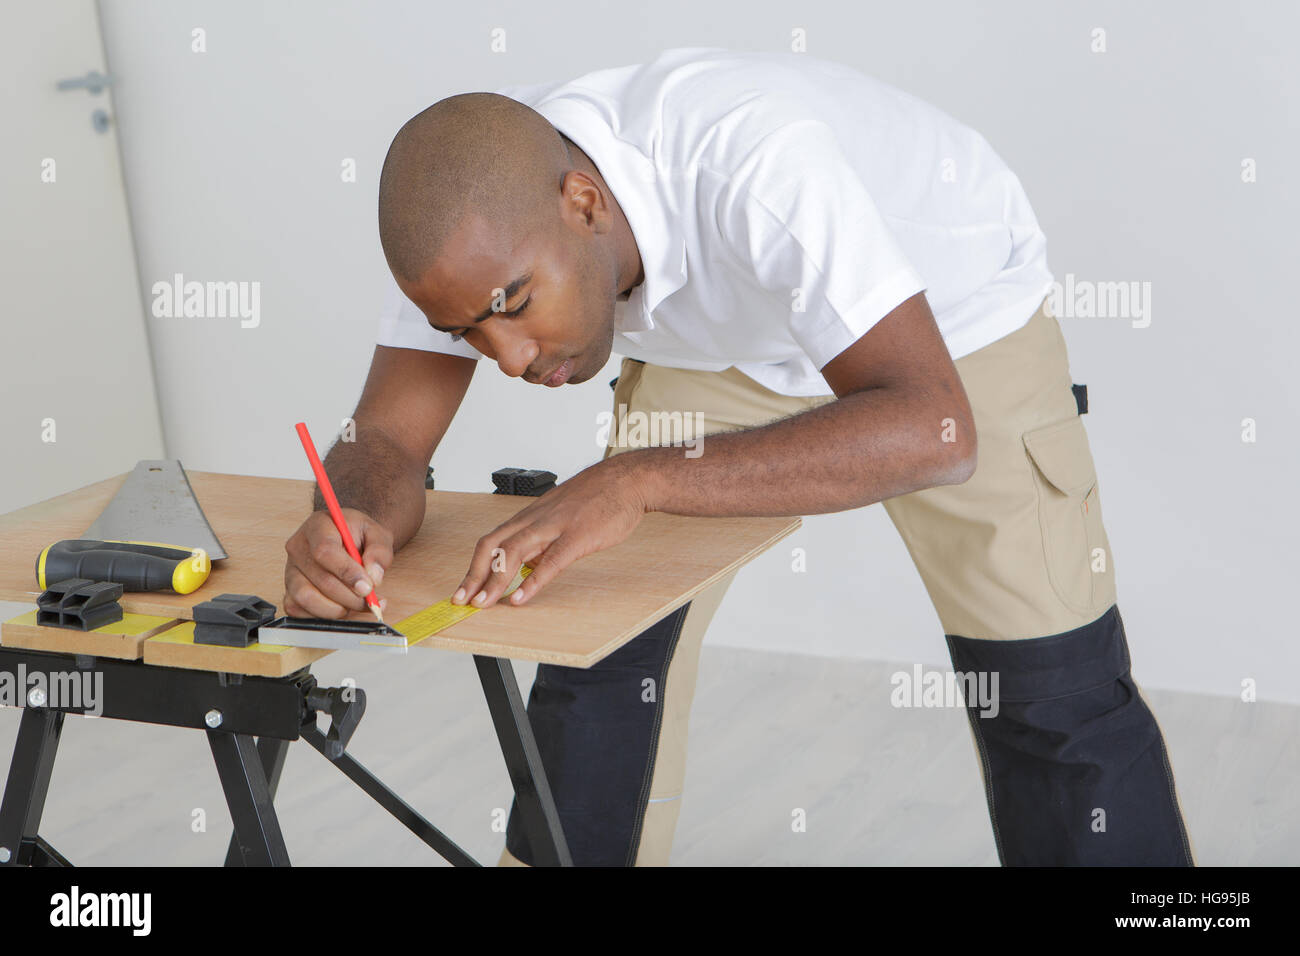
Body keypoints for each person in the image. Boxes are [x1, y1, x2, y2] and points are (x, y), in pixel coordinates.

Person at [282, 47, 1194, 867]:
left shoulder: (753, 164)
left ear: (586, 203)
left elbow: (935, 431)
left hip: (949, 339)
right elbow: (389, 439)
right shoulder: (469, 227)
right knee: (599, 658)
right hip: (712, 351)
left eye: (514, 307)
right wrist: (350, 513)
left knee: (1051, 694)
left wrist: (636, 477)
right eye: (465, 332)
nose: (510, 360)